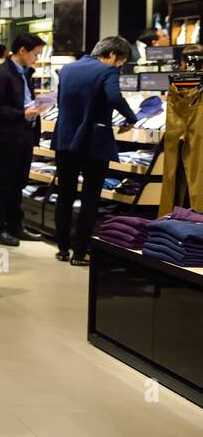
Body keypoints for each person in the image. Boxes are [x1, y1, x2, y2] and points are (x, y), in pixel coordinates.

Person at [52, 36, 137, 265]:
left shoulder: (67, 69)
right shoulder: (106, 71)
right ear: (112, 55)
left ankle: (62, 248)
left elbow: (61, 102)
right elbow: (114, 97)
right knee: (90, 198)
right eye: (120, 62)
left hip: (65, 138)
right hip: (93, 141)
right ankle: (80, 253)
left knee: (65, 194)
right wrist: (131, 117)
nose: (119, 67)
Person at [0, 32, 46, 246]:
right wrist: (22, 114)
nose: (37, 59)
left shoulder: (25, 73)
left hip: (25, 134)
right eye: (35, 54)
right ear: (22, 51)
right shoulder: (0, 74)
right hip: (7, 136)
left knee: (18, 183)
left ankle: (15, 226)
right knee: (2, 183)